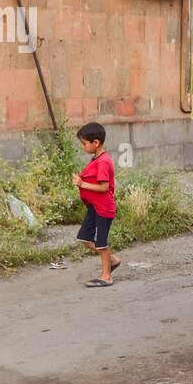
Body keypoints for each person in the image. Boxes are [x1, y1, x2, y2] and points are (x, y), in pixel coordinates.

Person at [73, 122, 119, 288]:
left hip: (103, 208)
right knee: (85, 237)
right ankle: (112, 260)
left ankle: (107, 276)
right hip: (95, 206)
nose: (83, 147)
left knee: (101, 242)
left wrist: (82, 184)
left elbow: (104, 187)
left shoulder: (103, 162)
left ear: (96, 143)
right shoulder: (97, 159)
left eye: (84, 144)